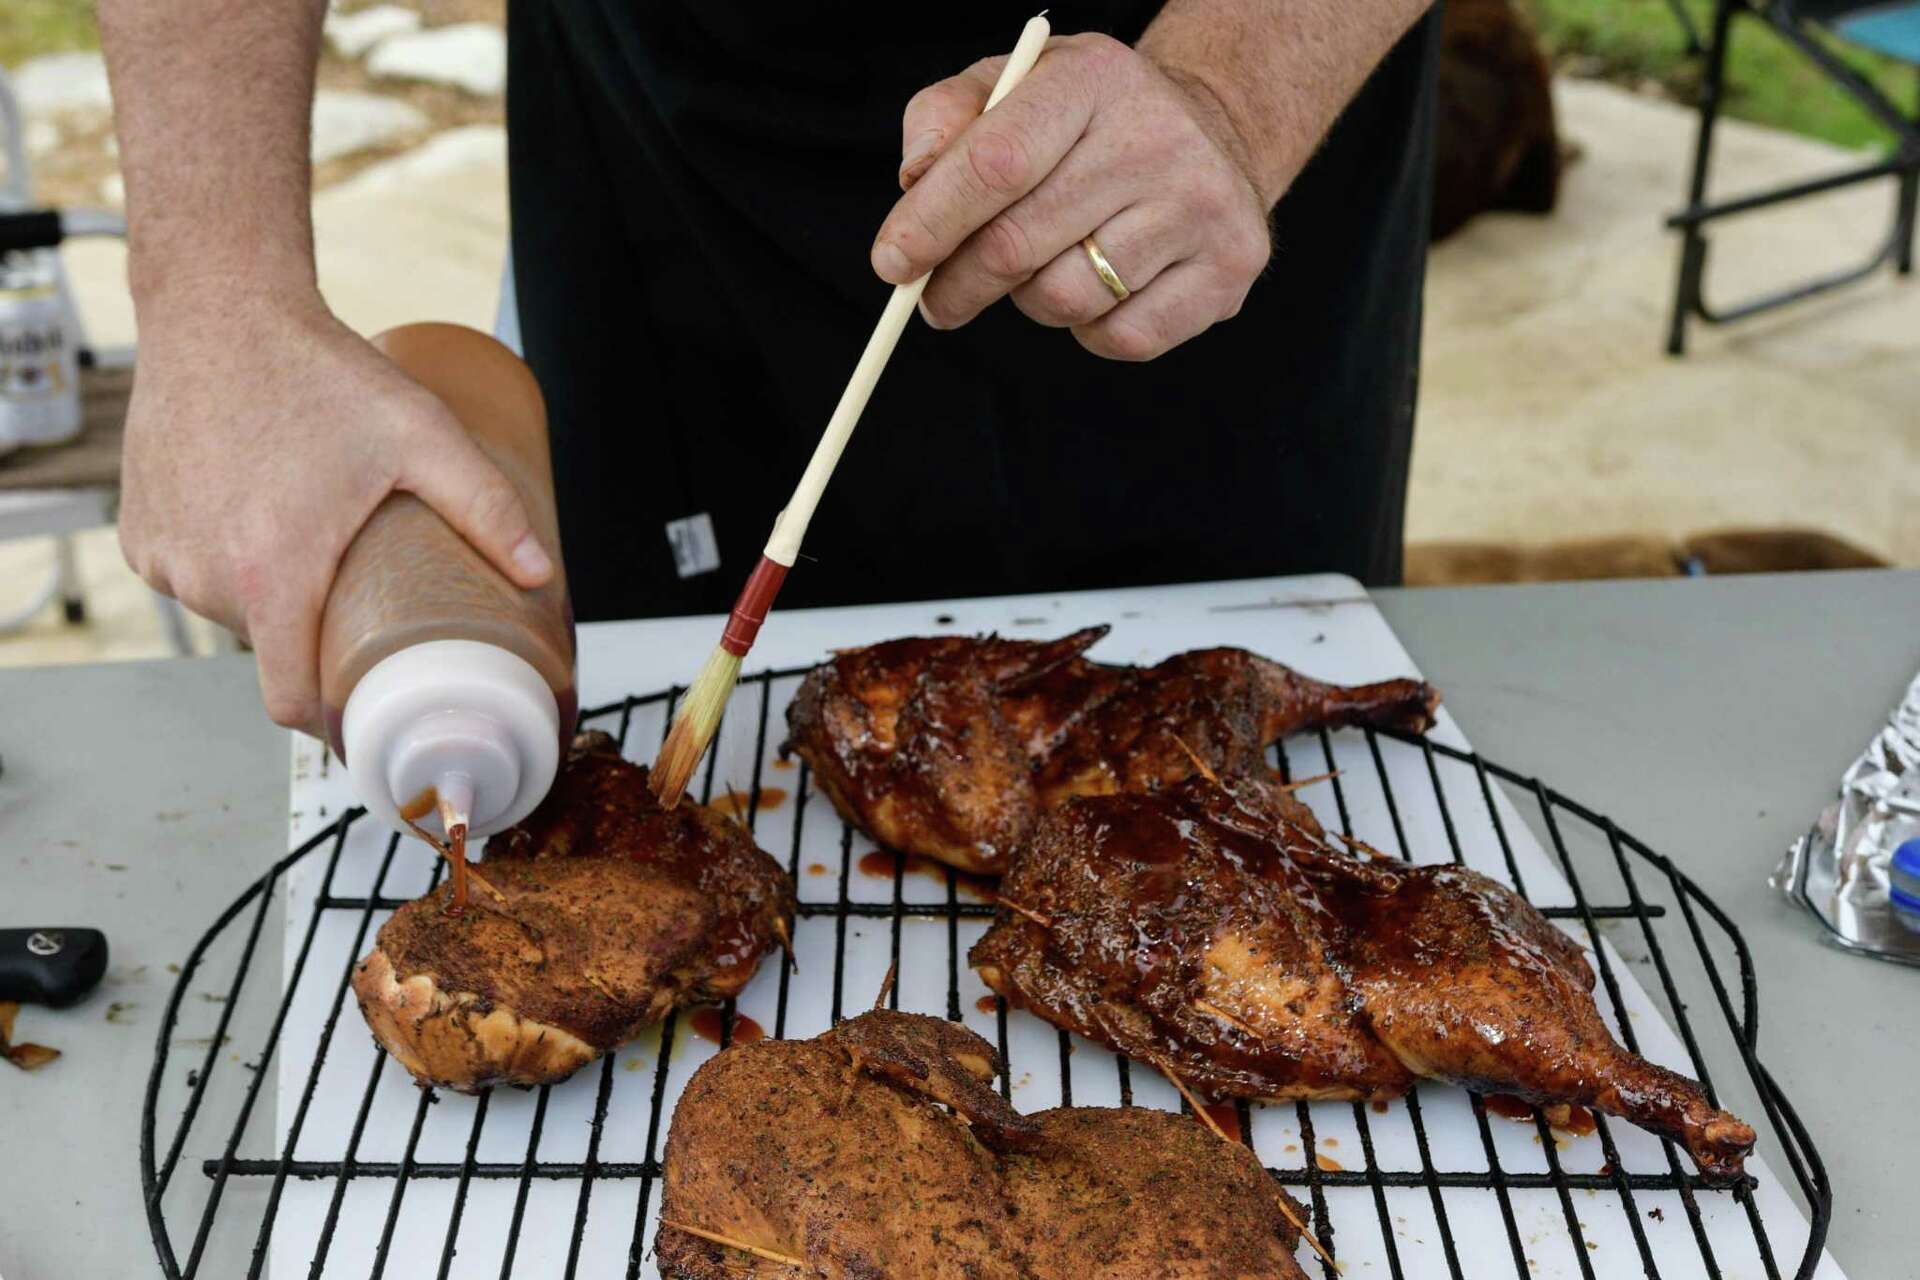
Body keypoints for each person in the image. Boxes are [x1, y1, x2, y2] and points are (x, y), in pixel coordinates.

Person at [98, 0, 1437, 734]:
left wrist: (1233, 92)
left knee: (1217, 746)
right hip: (678, 142)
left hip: (1204, 154)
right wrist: (220, 289)